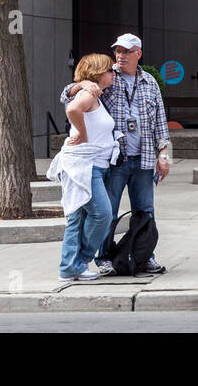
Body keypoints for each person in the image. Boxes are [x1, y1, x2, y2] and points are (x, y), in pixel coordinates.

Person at [59, 33, 171, 275]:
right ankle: (104, 258)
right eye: (117, 51)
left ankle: (144, 256)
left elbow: (160, 122)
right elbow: (67, 96)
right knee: (108, 212)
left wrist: (163, 155)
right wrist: (81, 85)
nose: (120, 55)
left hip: (143, 158)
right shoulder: (107, 76)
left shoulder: (150, 82)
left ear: (138, 54)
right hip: (115, 160)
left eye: (126, 51)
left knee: (146, 211)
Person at [48, 54, 120, 282]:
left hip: (91, 165)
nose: (113, 74)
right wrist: (82, 133)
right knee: (102, 215)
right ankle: (81, 260)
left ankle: (69, 266)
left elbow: (71, 99)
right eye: (110, 70)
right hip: (86, 166)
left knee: (77, 217)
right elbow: (72, 110)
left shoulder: (93, 93)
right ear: (98, 72)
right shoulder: (88, 94)